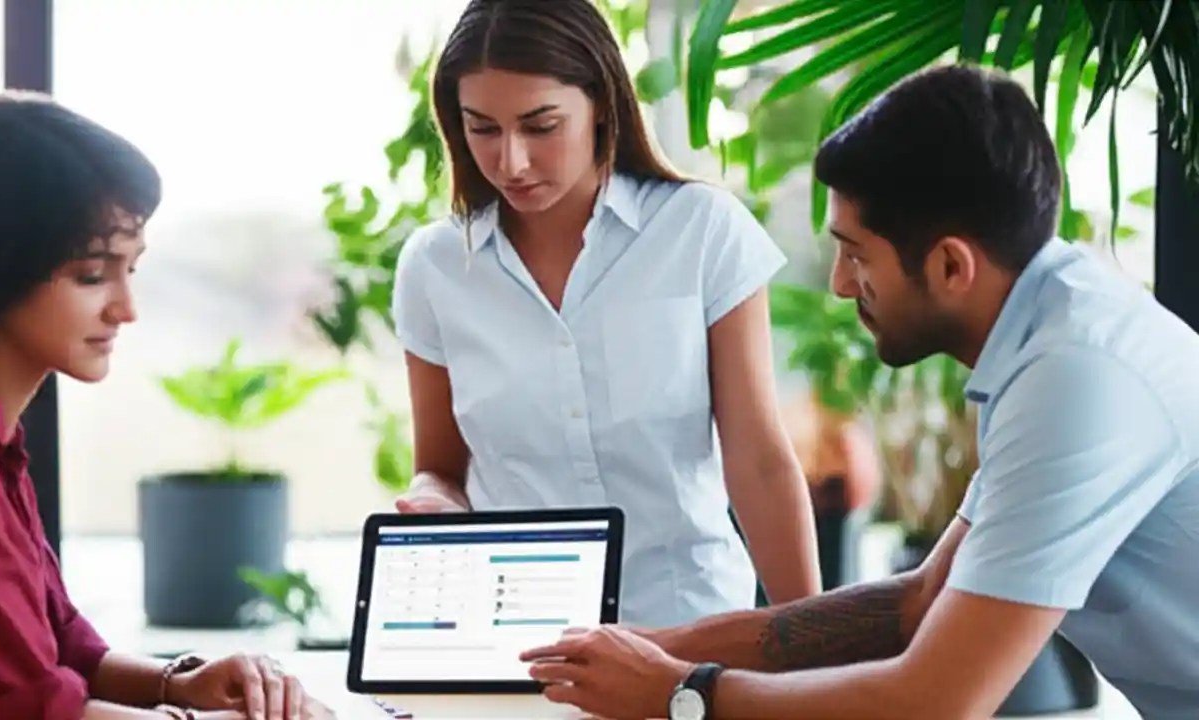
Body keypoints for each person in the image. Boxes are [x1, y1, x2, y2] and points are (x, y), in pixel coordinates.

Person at [520, 64, 1199, 720]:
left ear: (950, 265)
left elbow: (935, 702)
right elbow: (921, 600)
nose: (841, 284)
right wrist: (654, 649)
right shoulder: (1054, 327)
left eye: (855, 254)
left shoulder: (1075, 382)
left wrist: (678, 693)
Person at [390, 0, 821, 628]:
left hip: (689, 628)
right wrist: (431, 504)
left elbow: (758, 461)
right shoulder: (434, 268)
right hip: (517, 639)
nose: (511, 161)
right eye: (482, 128)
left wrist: (810, 644)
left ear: (600, 103)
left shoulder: (700, 229)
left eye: (541, 126)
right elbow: (441, 470)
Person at [0, 93, 334, 719]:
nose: (125, 308)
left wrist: (181, 683)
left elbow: (64, 652)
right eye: (92, 275)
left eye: (131, 270)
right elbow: (32, 707)